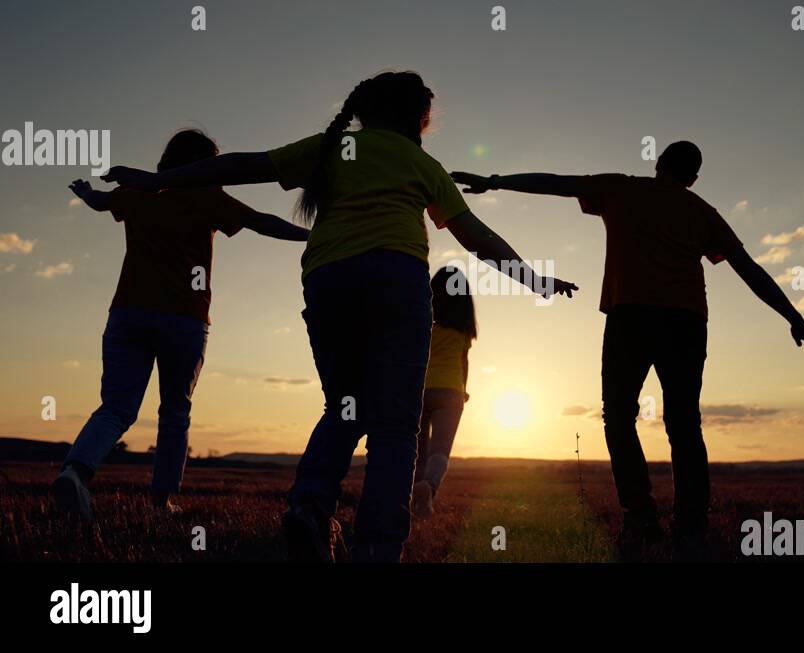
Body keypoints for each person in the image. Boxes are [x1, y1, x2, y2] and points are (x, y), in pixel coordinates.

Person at [102, 71, 577, 563]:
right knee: (395, 424)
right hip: (396, 275)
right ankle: (377, 546)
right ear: (420, 120)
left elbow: (245, 166)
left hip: (329, 279)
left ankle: (309, 508)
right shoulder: (420, 163)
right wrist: (535, 279)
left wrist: (158, 181)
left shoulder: (332, 147)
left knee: (345, 406)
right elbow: (476, 235)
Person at [452, 141, 804, 558]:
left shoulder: (621, 189)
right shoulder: (703, 212)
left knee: (618, 417)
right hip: (686, 323)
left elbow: (555, 184)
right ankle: (690, 526)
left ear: (658, 164)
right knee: (685, 424)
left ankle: (641, 517)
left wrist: (495, 181)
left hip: (631, 317)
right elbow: (749, 269)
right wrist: (794, 317)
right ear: (693, 178)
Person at [54, 129, 310, 520]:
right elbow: (260, 222)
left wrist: (85, 192)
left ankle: (76, 470)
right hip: (184, 320)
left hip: (128, 314)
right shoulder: (207, 198)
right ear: (205, 165)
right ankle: (162, 499)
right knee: (175, 411)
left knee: (116, 408)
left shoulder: (137, 194)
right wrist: (312, 235)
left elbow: (101, 202)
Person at [411, 266, 476, 519]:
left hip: (419, 391)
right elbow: (463, 363)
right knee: (440, 452)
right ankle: (428, 490)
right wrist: (464, 390)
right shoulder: (463, 331)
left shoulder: (424, 325)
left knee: (417, 453)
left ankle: (415, 504)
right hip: (451, 393)